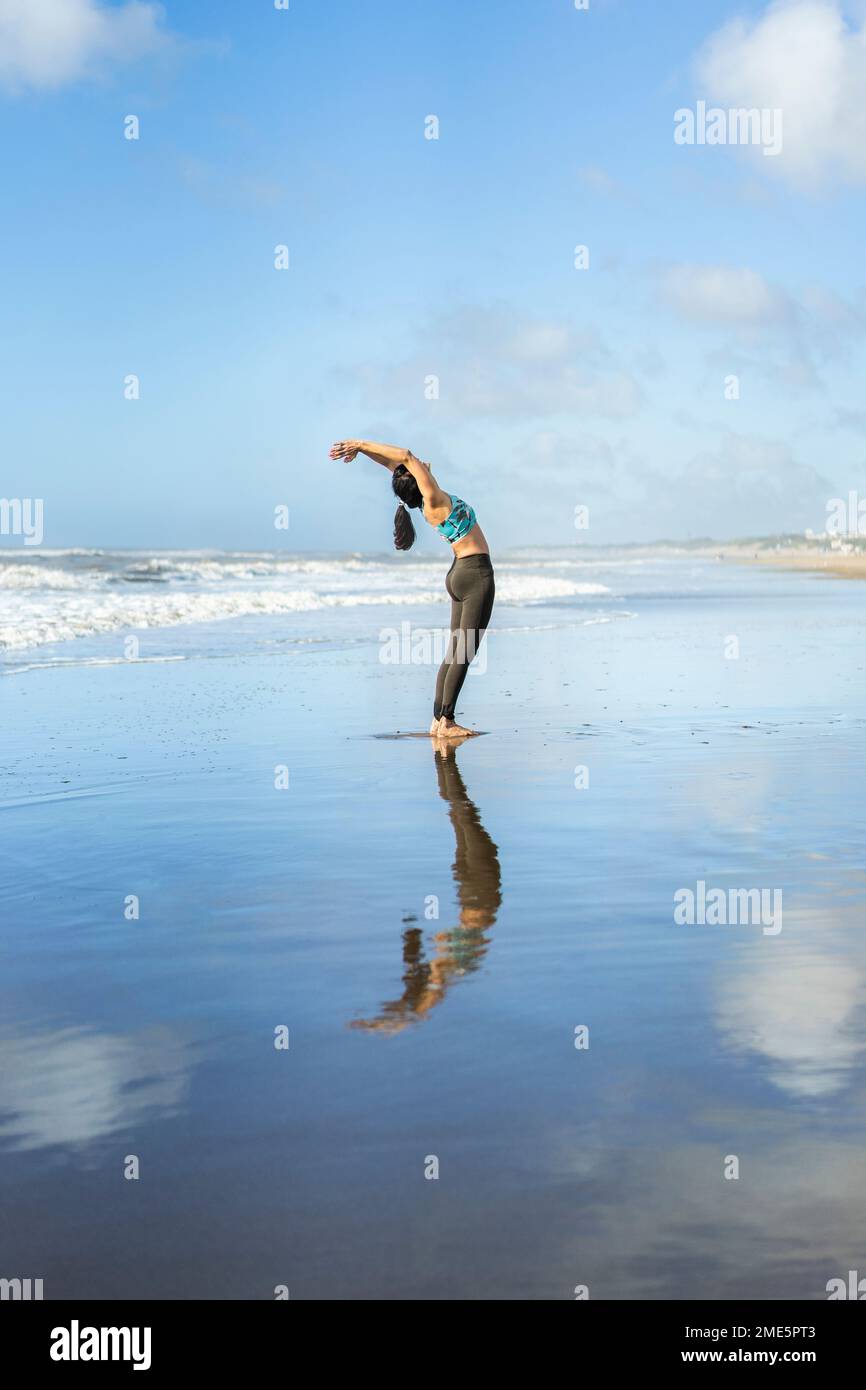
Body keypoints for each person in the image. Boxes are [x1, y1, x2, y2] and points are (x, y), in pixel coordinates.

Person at [329, 439, 494, 736]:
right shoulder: (432, 497)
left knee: (455, 650)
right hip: (474, 574)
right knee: (464, 651)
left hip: (459, 573)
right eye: (416, 468)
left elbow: (394, 464)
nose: (421, 463)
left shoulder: (426, 496)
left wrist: (364, 452)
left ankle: (438, 720)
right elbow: (404, 455)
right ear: (417, 478)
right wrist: (359, 442)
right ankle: (447, 722)